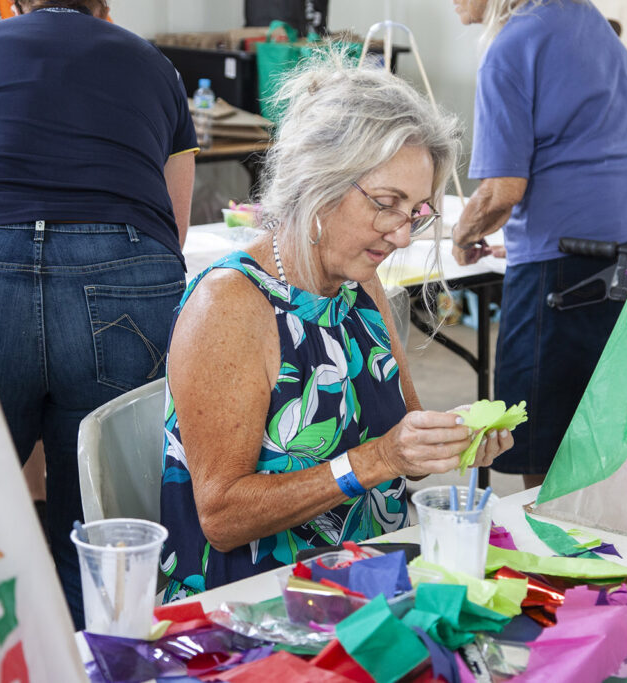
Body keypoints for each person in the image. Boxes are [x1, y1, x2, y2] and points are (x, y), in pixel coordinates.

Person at [159, 58, 514, 601]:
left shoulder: (359, 286)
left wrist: (450, 440)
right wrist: (380, 459)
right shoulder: (230, 305)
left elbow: (404, 436)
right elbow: (222, 516)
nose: (402, 236)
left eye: (416, 212)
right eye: (386, 204)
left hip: (369, 580)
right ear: (317, 182)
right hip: (253, 601)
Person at [0, 0, 196, 628]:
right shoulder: (155, 66)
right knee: (102, 509)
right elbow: (177, 222)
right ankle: (99, 653)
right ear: (106, 7)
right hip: (125, 272)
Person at [450, 0, 627, 488]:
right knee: (607, 415)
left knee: (542, 436)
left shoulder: (509, 48)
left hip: (565, 261)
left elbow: (503, 191)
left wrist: (463, 235)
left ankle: (552, 549)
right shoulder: (592, 24)